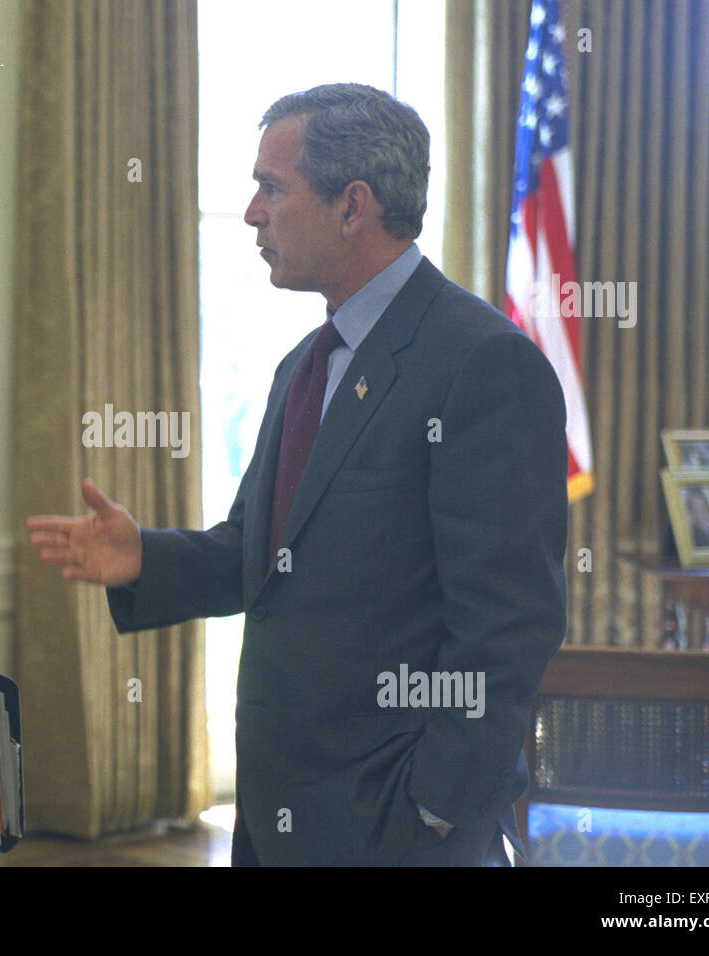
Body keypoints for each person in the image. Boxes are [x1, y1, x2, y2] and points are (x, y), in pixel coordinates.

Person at [28, 84, 568, 866]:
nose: (252, 212)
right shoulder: (304, 368)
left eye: (272, 188)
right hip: (281, 814)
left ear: (354, 206)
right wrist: (148, 557)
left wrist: (441, 809)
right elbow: (265, 552)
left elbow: (507, 625)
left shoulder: (482, 364)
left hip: (400, 822)